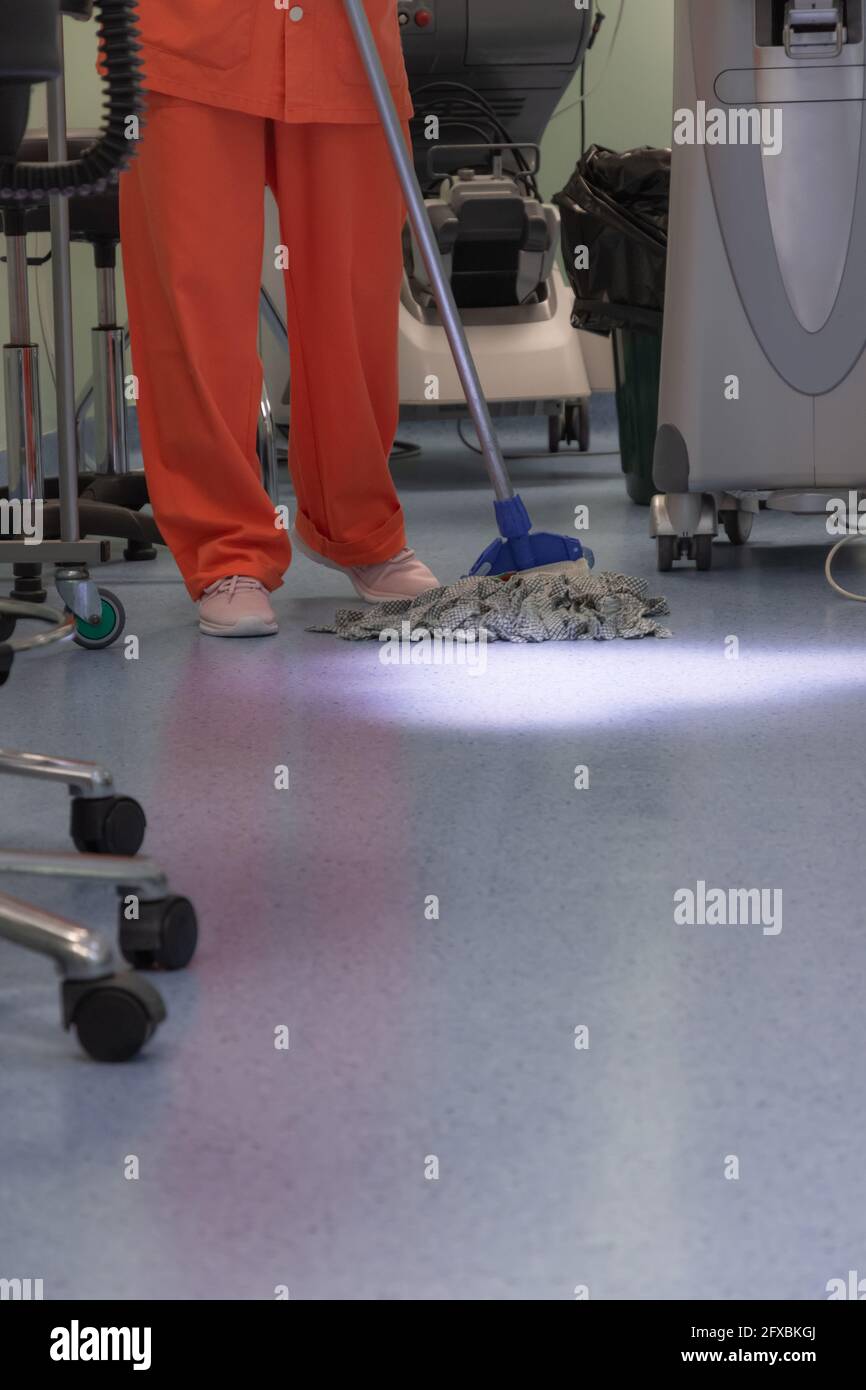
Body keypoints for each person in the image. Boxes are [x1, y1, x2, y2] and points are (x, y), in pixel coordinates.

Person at [119, 0, 439, 637]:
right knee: (195, 298)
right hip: (190, 35)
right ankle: (226, 550)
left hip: (344, 41)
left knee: (354, 295)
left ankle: (359, 526)